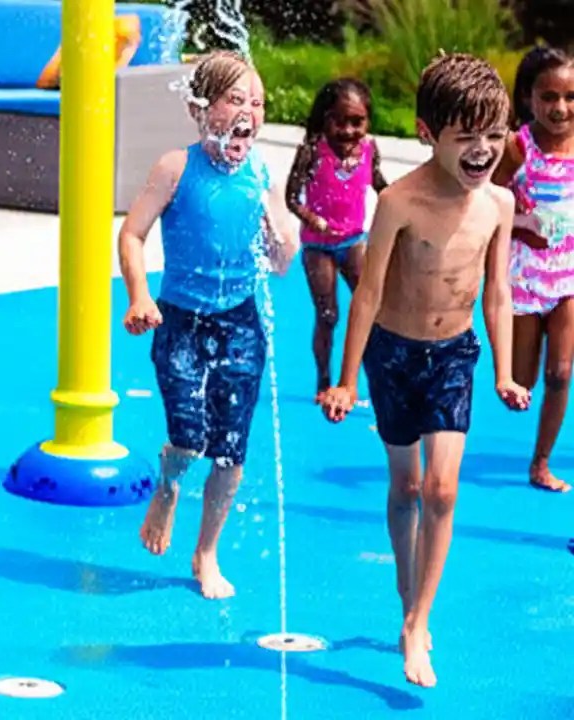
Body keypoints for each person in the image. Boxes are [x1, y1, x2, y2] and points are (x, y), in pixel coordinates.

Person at [320, 53, 531, 688]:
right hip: (394, 354)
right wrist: (346, 378)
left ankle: (417, 624)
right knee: (406, 490)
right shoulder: (399, 202)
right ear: (426, 133)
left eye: (493, 136)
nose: (482, 151)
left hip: (454, 356)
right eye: (465, 138)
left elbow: (498, 293)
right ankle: (406, 598)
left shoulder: (497, 203)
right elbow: (369, 294)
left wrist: (504, 371)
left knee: (441, 491)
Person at [117, 50, 299, 600]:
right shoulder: (177, 167)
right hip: (181, 322)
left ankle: (207, 551)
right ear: (203, 109)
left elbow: (281, 258)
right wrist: (139, 296)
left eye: (258, 102)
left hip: (240, 322)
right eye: (236, 99)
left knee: (230, 449)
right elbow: (131, 235)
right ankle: (168, 487)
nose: (249, 112)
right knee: (190, 436)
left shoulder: (261, 172)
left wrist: (282, 234)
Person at [490, 46, 574, 493]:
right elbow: (487, 204)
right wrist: (521, 225)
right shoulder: (517, 147)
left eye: (570, 96)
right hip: (524, 271)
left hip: (569, 273)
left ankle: (540, 463)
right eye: (549, 97)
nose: (560, 107)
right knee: (520, 382)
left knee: (560, 373)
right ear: (529, 98)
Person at [286, 78, 390, 398]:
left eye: (357, 122)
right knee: (328, 315)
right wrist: (312, 219)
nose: (347, 130)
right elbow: (292, 198)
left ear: (368, 121)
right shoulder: (312, 151)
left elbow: (380, 186)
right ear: (324, 118)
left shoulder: (370, 151)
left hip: (354, 240)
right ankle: (324, 379)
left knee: (373, 308)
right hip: (319, 246)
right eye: (339, 121)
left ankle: (369, 375)